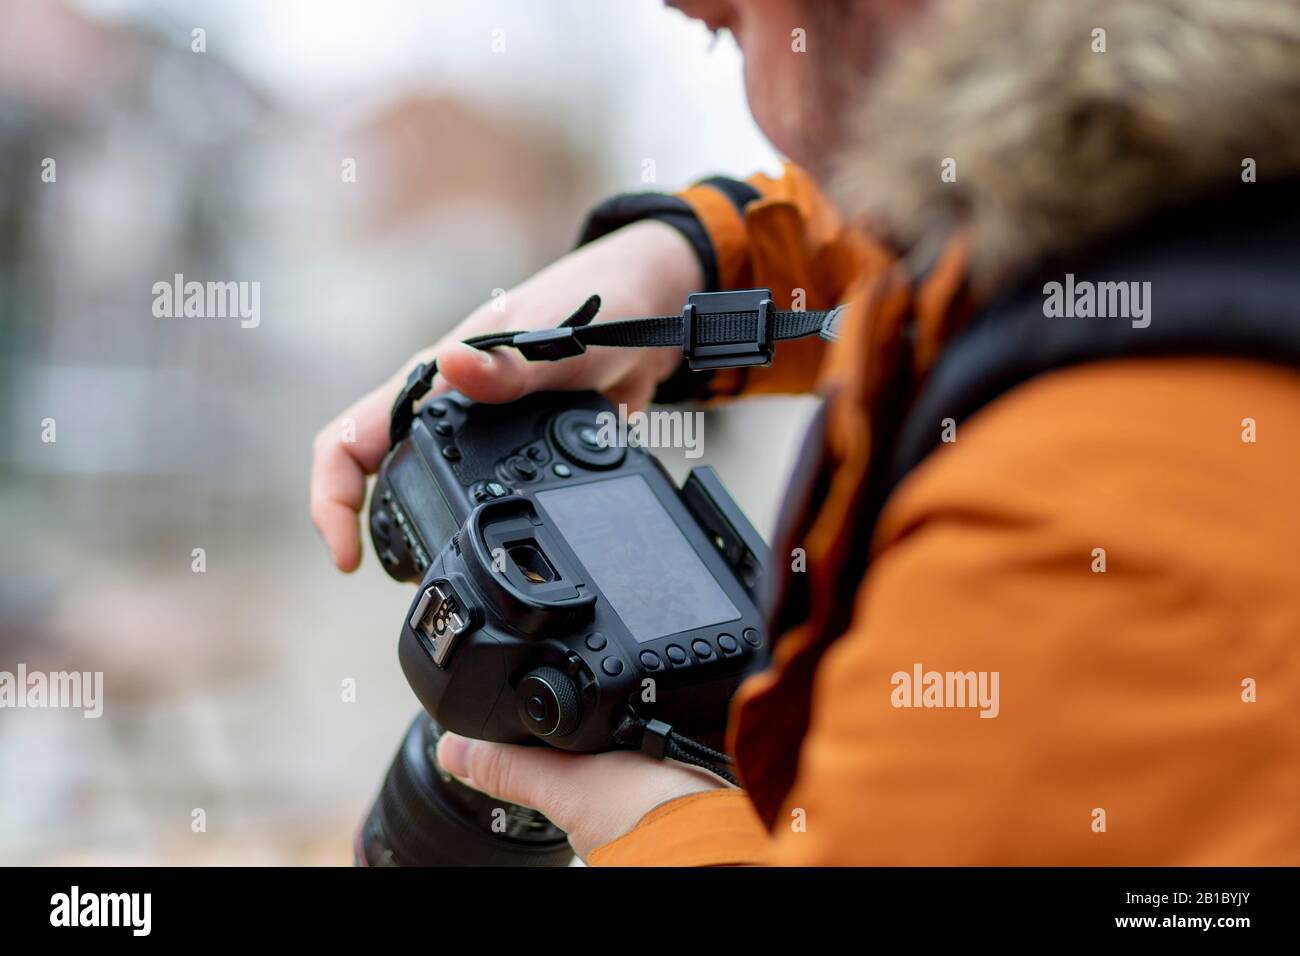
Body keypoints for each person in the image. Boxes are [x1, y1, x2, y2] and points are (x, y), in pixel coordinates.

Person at [311, 0, 1300, 864]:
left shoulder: (1059, 539)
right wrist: (691, 259)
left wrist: (671, 836)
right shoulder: (1207, 188)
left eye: (724, 29)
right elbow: (1005, 211)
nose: (760, 110)